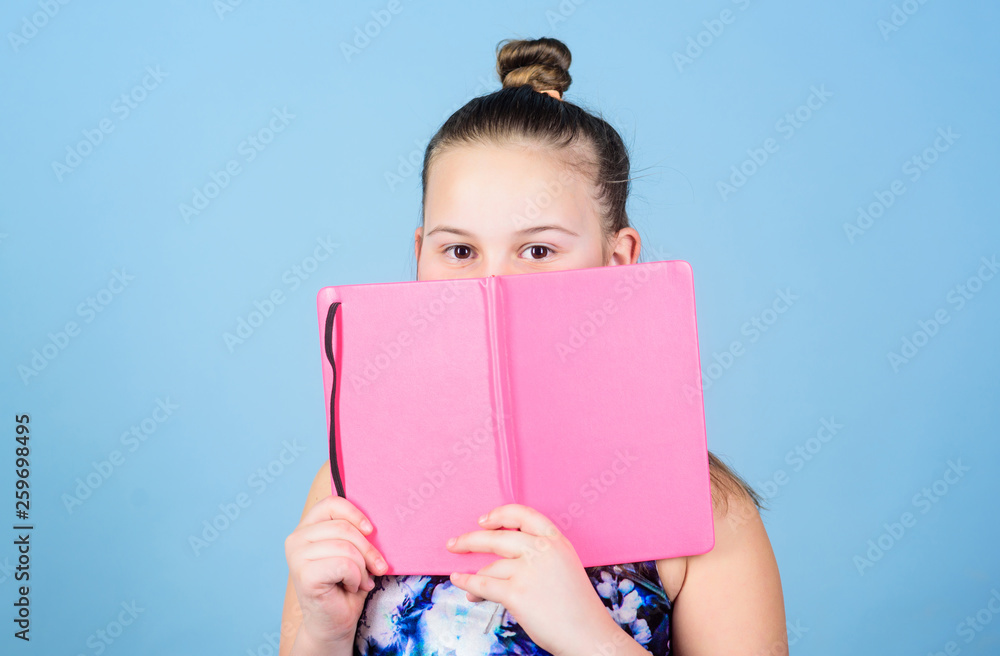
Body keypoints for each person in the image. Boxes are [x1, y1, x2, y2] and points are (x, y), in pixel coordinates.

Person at [280, 37, 787, 656]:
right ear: (418, 258)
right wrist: (321, 633)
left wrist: (583, 631)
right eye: (459, 251)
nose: (494, 286)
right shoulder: (353, 488)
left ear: (618, 260)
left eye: (538, 250)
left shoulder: (704, 513)